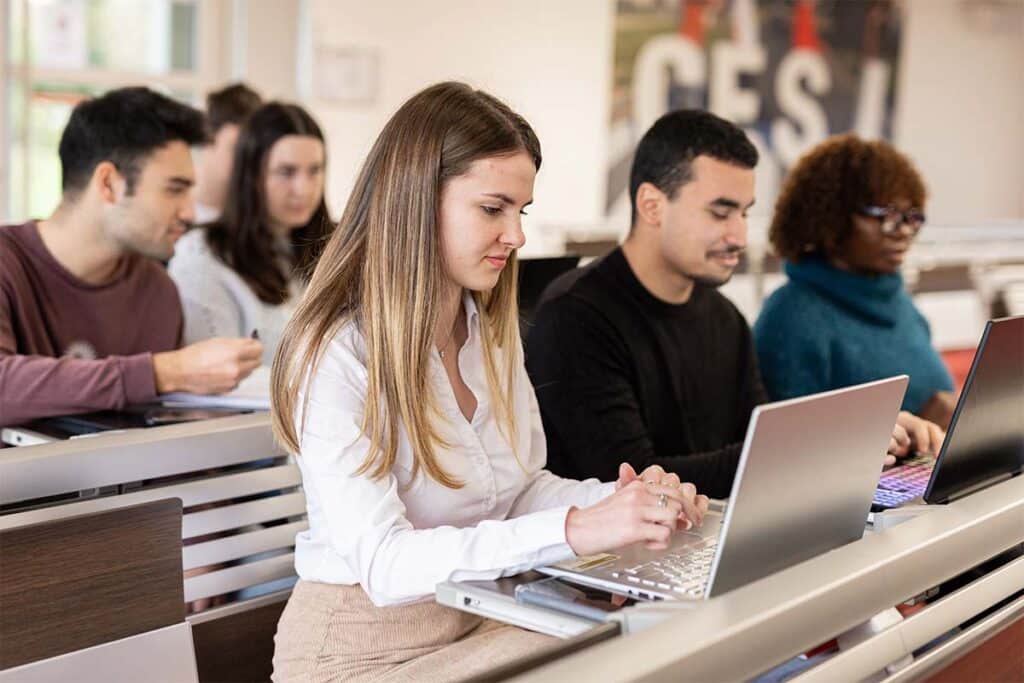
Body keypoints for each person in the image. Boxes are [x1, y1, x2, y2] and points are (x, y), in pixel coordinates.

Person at [268, 82, 708, 682]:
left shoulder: (487, 327)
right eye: (492, 209)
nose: (517, 235)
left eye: (519, 212)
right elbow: (385, 564)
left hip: (481, 613)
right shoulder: (337, 352)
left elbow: (518, 493)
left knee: (662, 650)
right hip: (357, 648)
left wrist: (622, 504)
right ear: (417, 199)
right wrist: (579, 529)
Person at [525, 111, 942, 500]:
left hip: (712, 541)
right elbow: (635, 483)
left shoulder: (725, 319)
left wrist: (862, 434)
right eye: (720, 213)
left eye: (744, 213)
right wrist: (822, 444)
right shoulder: (576, 317)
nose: (739, 236)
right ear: (651, 205)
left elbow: (763, 445)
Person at [0, 87, 262, 428]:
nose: (189, 211)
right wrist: (163, 372)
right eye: (174, 189)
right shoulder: (8, 262)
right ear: (109, 183)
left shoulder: (158, 291)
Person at [753, 134, 957, 430]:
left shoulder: (898, 302)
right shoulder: (791, 317)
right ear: (831, 215)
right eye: (887, 215)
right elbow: (792, 451)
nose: (902, 231)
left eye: (911, 217)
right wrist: (920, 434)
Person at [169, 102, 332, 365]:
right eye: (286, 172)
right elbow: (213, 379)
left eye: (314, 171)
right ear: (251, 176)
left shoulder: (336, 247)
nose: (303, 189)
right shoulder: (203, 254)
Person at [192, 83, 262, 224]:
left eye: (254, 151)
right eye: (237, 149)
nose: (247, 161)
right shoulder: (176, 219)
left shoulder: (259, 224)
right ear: (207, 139)